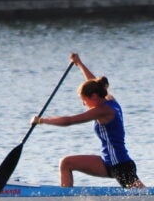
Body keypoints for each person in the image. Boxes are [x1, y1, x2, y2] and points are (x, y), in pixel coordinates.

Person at [32, 52, 143, 188]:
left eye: (84, 100)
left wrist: (42, 120)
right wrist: (79, 63)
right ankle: (65, 197)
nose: (83, 104)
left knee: (143, 195)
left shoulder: (102, 111)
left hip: (120, 164)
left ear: (94, 97)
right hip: (107, 162)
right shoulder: (109, 99)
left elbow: (69, 121)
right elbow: (93, 82)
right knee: (66, 163)